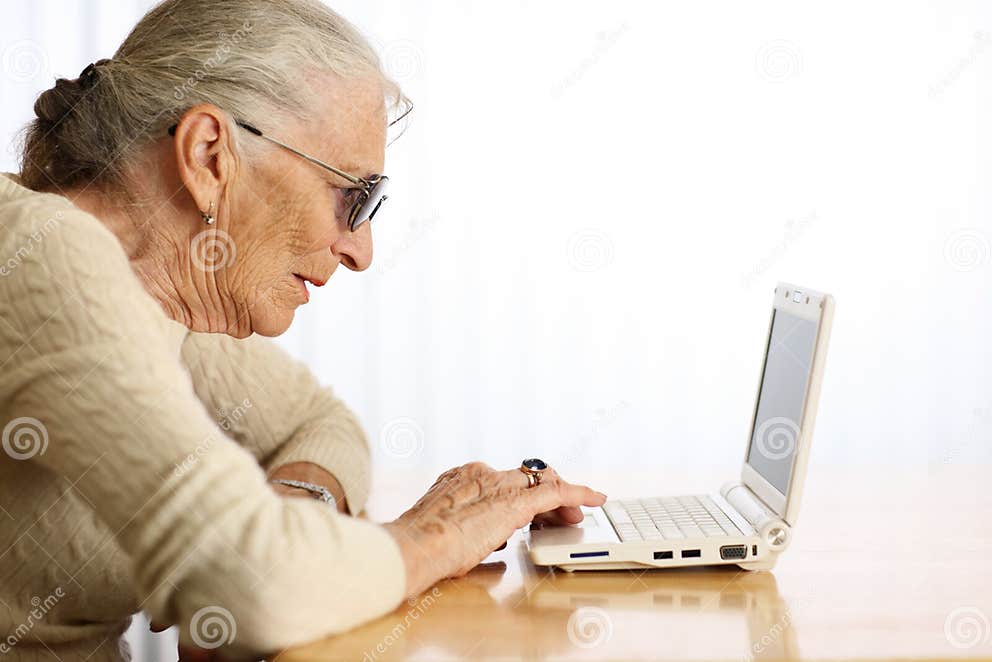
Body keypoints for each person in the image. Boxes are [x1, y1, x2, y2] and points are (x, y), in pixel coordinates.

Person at [0, 0, 605, 659]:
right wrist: (436, 537)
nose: (361, 250)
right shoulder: (43, 258)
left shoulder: (157, 293)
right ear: (208, 158)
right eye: (355, 196)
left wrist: (295, 516)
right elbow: (256, 588)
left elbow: (318, 423)